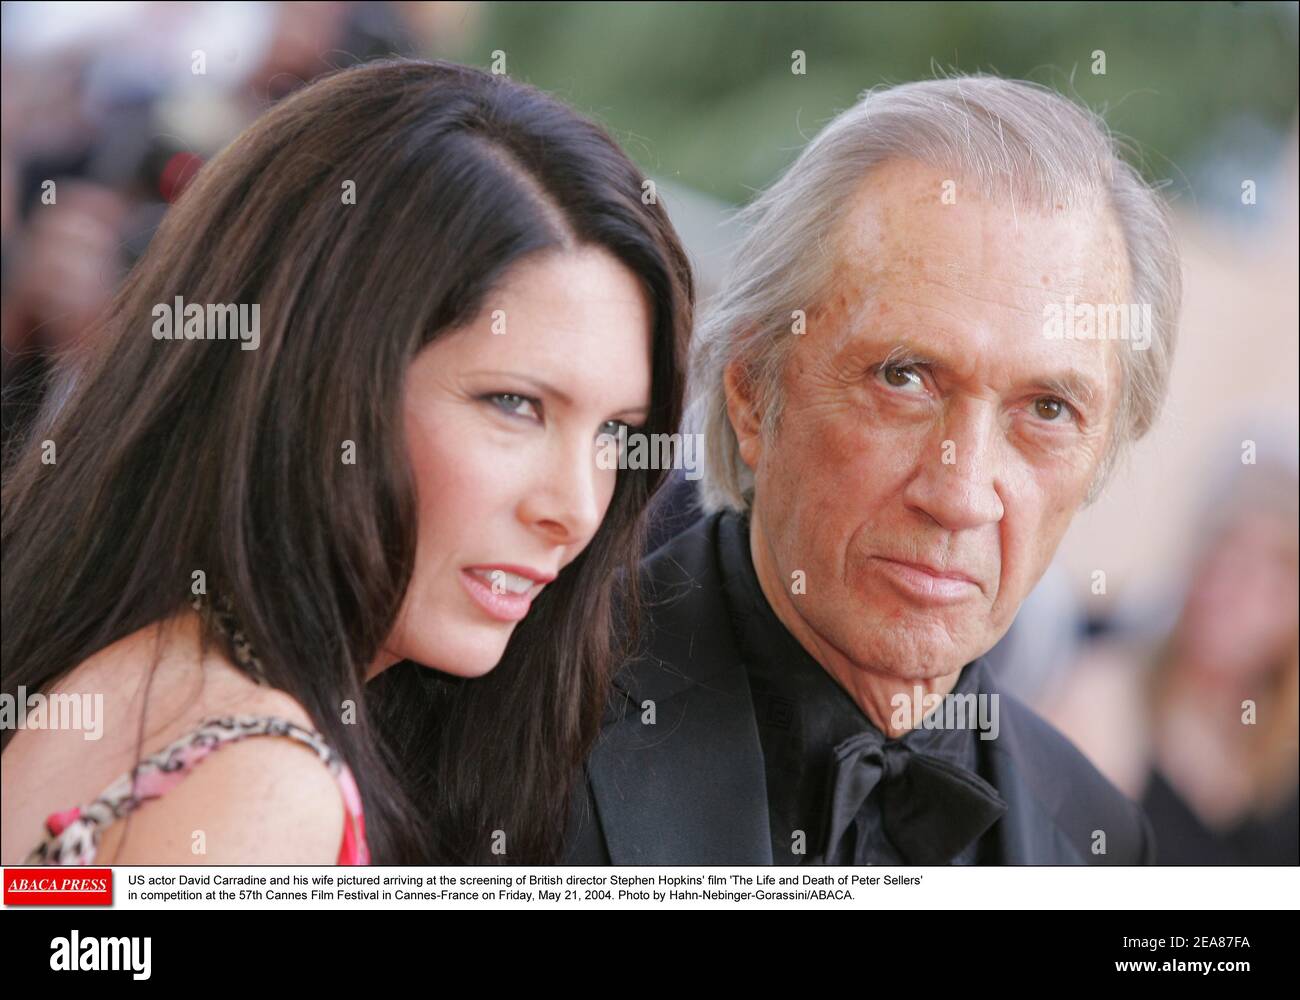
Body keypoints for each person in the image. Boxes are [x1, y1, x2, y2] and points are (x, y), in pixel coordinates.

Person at [1, 58, 692, 866]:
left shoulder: (138, 672)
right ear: (314, 381)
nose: (576, 508)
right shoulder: (256, 781)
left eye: (616, 433)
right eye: (514, 405)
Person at [564, 74, 1181, 865]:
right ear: (753, 392)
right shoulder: (514, 712)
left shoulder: (1100, 841)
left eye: (1048, 410)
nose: (960, 497)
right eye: (904, 377)